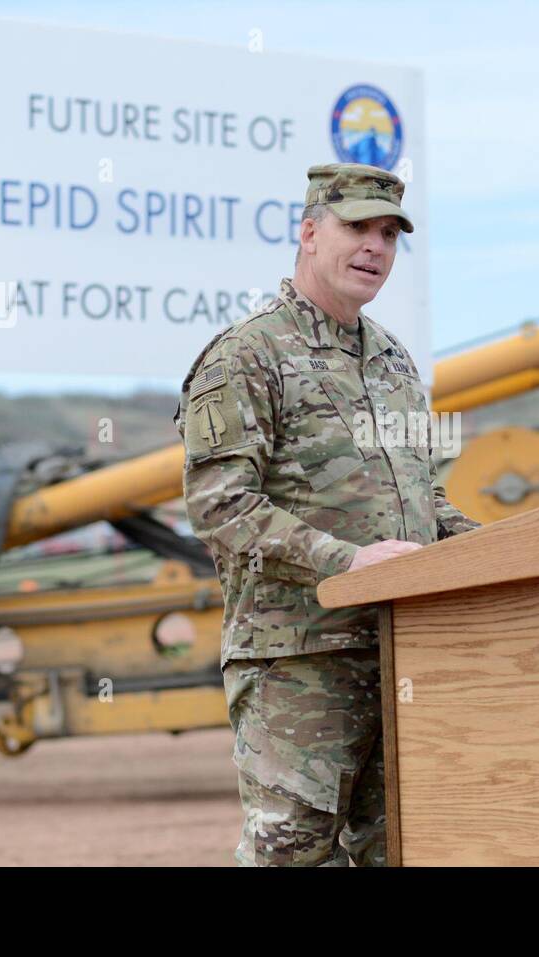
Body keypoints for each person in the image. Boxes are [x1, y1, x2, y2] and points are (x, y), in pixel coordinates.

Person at [176, 162, 480, 866]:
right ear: (309, 233)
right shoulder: (246, 354)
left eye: (388, 233)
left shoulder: (394, 363)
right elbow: (221, 505)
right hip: (299, 663)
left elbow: (426, 502)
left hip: (402, 653)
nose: (375, 246)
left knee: (404, 850)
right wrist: (347, 562)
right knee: (292, 855)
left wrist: (531, 546)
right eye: (356, 227)